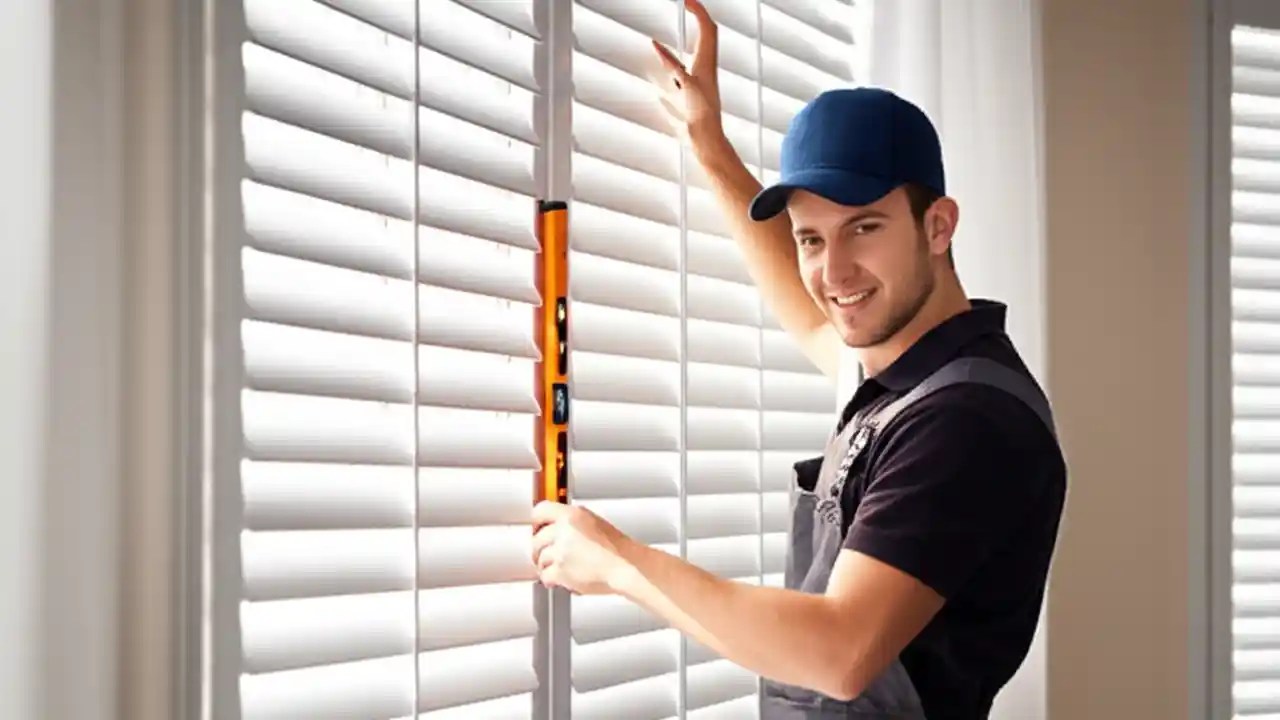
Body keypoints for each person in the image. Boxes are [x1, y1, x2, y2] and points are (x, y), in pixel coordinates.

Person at [530, 2, 1067, 717]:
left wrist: (618, 565)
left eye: (864, 228)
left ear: (937, 226)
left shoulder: (965, 419)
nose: (834, 272)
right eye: (812, 238)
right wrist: (709, 144)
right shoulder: (907, 379)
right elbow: (807, 304)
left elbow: (840, 654)